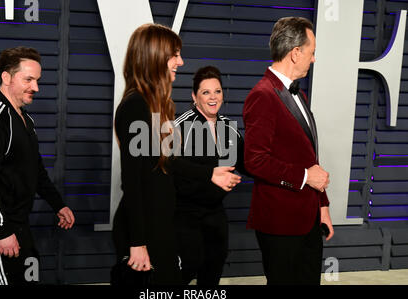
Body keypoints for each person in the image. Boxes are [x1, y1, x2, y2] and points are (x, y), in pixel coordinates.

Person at [112, 24, 241, 285]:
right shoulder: (135, 106)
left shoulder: (157, 105)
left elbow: (166, 161)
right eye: (175, 55)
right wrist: (137, 243)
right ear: (156, 56)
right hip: (144, 231)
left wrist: (210, 173)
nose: (180, 62)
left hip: (161, 225)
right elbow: (133, 182)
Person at [0, 46, 75, 285]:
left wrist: (58, 204)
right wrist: (2, 231)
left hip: (18, 219)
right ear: (6, 77)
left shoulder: (26, 119)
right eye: (28, 79)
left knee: (29, 277)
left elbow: (36, 170)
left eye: (37, 80)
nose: (35, 87)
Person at [242, 17, 334, 285]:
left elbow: (309, 158)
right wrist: (305, 177)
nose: (313, 59)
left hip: (308, 220)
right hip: (280, 223)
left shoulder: (299, 95)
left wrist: (323, 205)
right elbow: (255, 161)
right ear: (296, 53)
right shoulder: (263, 95)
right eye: (312, 52)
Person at [173, 66, 249, 285]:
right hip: (184, 215)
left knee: (213, 271)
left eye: (217, 91)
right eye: (206, 92)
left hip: (215, 213)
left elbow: (248, 165)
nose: (213, 97)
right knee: (186, 269)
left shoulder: (229, 128)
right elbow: (168, 167)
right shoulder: (181, 127)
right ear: (194, 96)